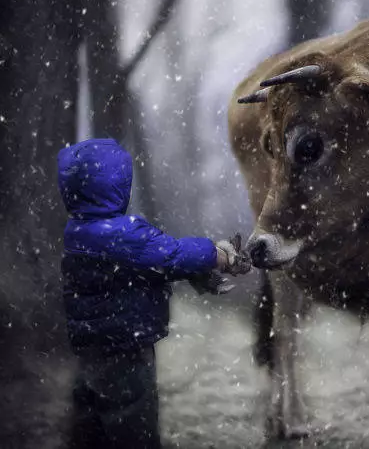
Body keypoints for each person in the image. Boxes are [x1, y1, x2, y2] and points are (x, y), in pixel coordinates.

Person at [56, 138, 251, 448]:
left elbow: (149, 266)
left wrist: (194, 272)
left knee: (91, 422)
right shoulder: (121, 235)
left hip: (93, 347)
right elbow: (170, 255)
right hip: (125, 348)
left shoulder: (78, 230)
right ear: (118, 186)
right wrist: (217, 254)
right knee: (133, 421)